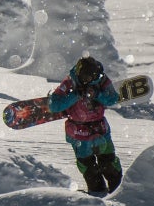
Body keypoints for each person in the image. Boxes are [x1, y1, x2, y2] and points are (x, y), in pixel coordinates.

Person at [48, 55, 122, 195]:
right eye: (85, 78)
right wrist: (75, 95)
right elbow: (54, 105)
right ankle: (97, 192)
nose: (88, 82)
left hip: (100, 129)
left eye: (90, 78)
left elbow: (113, 99)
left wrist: (97, 94)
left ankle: (118, 191)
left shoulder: (102, 80)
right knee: (88, 166)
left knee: (108, 163)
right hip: (78, 131)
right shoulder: (70, 83)